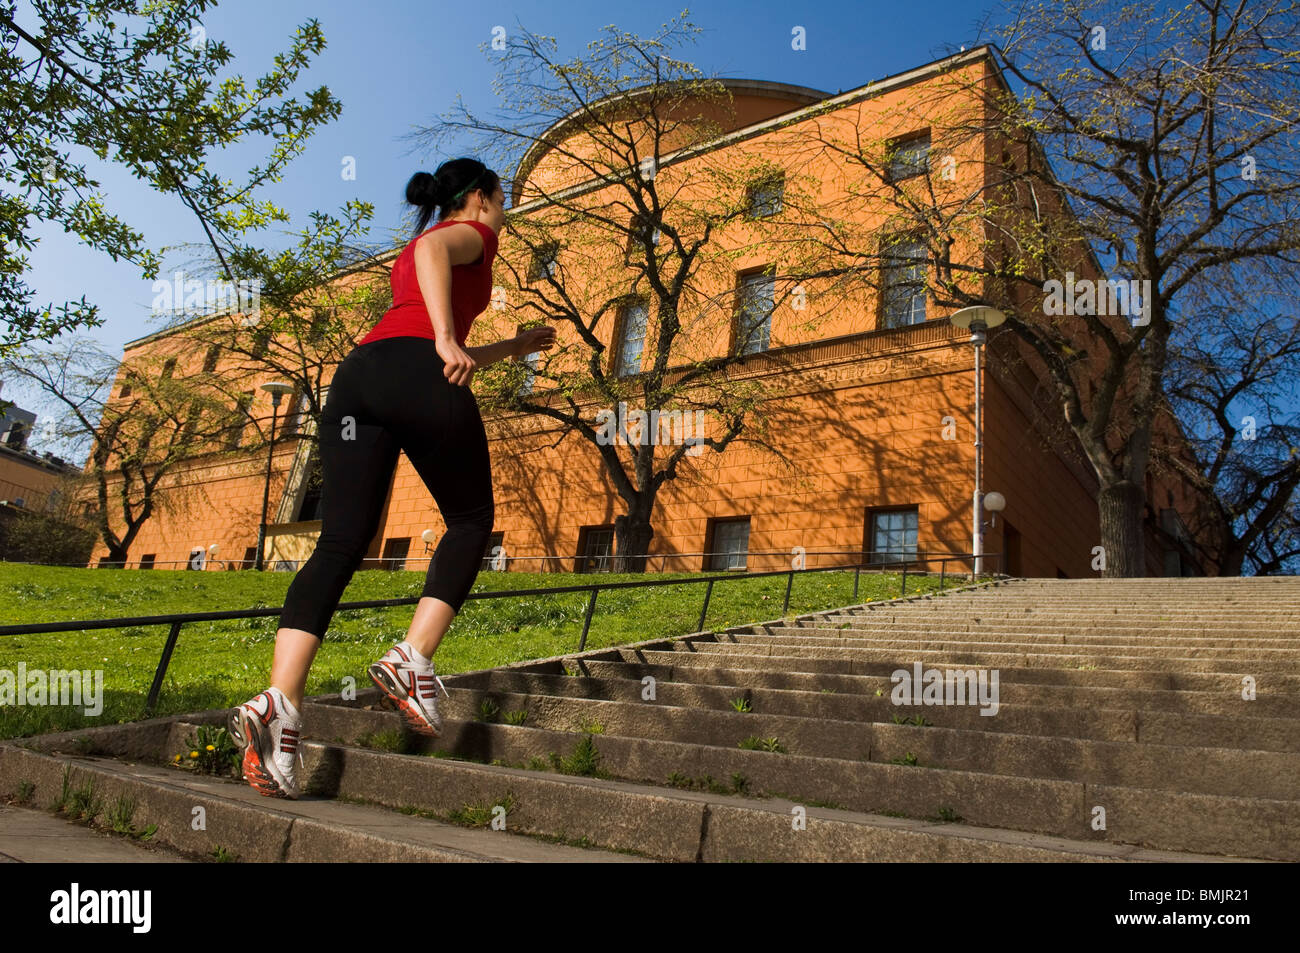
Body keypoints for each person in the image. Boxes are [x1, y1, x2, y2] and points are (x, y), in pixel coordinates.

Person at [228, 157, 556, 799]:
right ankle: (412, 658)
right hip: (417, 370)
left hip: (362, 375)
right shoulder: (471, 234)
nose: (505, 209)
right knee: (469, 522)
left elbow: (431, 321)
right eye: (503, 197)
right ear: (482, 198)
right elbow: (439, 263)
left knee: (340, 544)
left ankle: (281, 705)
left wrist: (505, 349)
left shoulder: (406, 256)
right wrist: (444, 338)